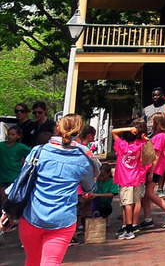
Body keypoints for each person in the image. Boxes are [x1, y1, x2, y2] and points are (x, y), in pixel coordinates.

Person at [0, 113, 98, 266]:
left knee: (32, 260)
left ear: (57, 129)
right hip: (63, 219)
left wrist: (7, 211)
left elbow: (21, 182)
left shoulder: (39, 151)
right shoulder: (83, 159)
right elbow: (90, 188)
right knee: (51, 262)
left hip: (32, 216)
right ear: (79, 133)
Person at [109, 119, 155, 240]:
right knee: (132, 203)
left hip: (125, 180)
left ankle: (129, 229)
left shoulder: (122, 145)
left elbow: (113, 131)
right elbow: (149, 148)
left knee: (127, 204)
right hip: (135, 179)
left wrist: (129, 129)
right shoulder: (139, 146)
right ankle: (127, 227)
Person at [139, 113, 165, 229]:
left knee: (149, 192)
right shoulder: (159, 136)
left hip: (156, 169)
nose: (151, 124)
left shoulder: (160, 136)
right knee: (146, 194)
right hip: (154, 168)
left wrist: (151, 172)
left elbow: (156, 156)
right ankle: (148, 218)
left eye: (152, 122)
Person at [1, 124, 29, 211]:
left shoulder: (20, 147)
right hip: (2, 176)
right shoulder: (1, 145)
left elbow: (32, 153)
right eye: (9, 134)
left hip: (14, 176)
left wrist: (25, 162)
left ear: (18, 136)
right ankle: (4, 214)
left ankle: (9, 215)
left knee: (11, 198)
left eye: (13, 135)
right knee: (2, 197)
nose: (10, 136)